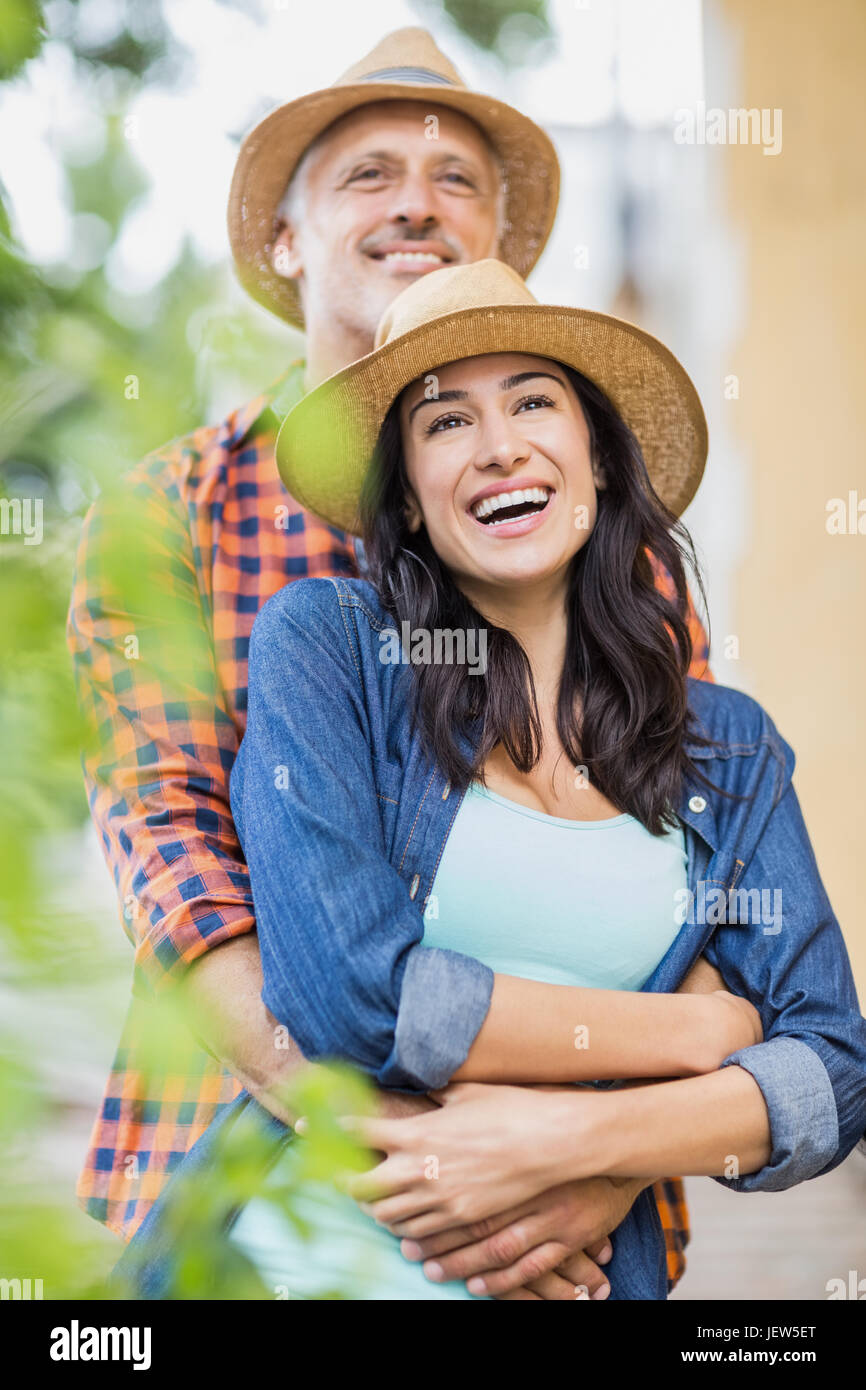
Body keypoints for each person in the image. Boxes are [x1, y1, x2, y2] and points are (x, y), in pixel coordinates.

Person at [68, 28, 716, 1299]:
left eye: (456, 180)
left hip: (565, 1218)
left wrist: (586, 1156)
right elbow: (171, 842)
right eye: (367, 174)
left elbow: (699, 870)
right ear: (286, 240)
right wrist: (421, 1171)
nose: (417, 200)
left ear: (499, 256)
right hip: (236, 1170)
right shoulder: (169, 511)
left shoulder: (616, 553)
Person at [116, 259, 866, 1300]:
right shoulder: (329, 652)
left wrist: (574, 1143)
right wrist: (702, 1030)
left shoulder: (727, 748)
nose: (499, 444)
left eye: (531, 401)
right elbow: (347, 999)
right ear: (410, 501)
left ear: (597, 456)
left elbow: (830, 1067)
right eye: (444, 422)